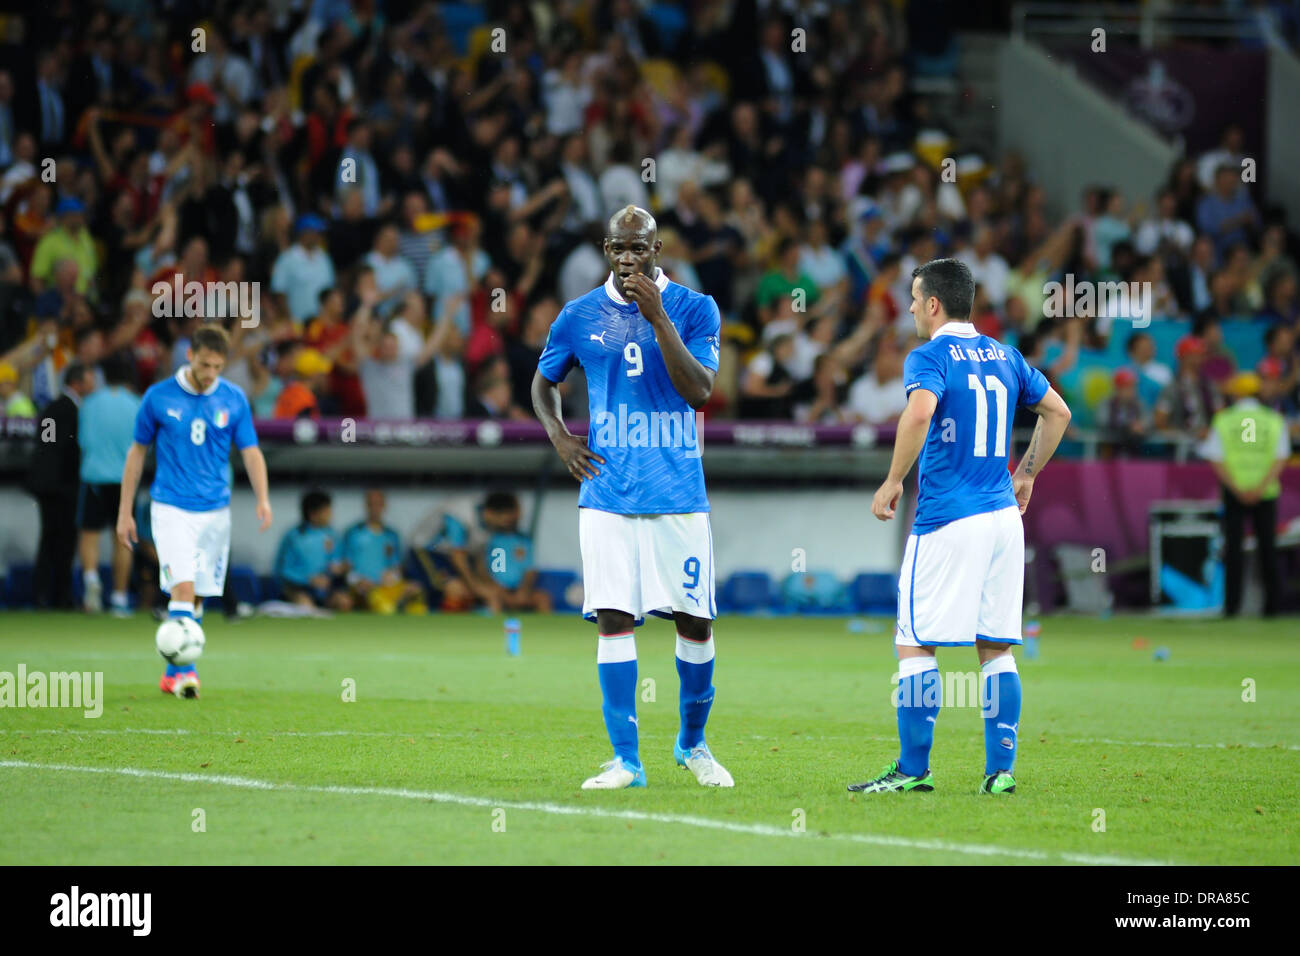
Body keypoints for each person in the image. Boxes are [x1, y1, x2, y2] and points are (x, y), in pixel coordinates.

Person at [532, 205, 732, 790]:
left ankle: (692, 745)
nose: (627, 259)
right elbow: (544, 383)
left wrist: (658, 317)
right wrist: (562, 439)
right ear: (605, 249)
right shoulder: (577, 316)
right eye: (617, 249)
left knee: (695, 623)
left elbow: (698, 391)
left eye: (638, 249)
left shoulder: (695, 308)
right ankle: (626, 760)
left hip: (678, 494)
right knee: (615, 620)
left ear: (657, 249)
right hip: (608, 492)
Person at [854, 258, 1071, 796]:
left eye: (913, 297)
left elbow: (920, 414)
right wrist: (1025, 475)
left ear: (933, 303)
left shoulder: (928, 356)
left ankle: (912, 770)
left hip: (949, 518)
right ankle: (1000, 774)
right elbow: (1058, 413)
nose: (908, 307)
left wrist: (892, 480)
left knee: (914, 643)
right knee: (995, 647)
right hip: (1002, 520)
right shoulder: (1005, 355)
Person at [117, 324, 272, 699]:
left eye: (217, 367)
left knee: (199, 595)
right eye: (205, 365)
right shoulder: (158, 397)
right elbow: (137, 452)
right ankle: (188, 673)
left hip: (215, 512)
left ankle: (173, 672)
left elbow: (251, 452)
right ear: (190, 355)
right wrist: (125, 511)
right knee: (182, 587)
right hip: (171, 507)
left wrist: (262, 498)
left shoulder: (233, 399)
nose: (210, 374)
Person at [1199, 372, 1290, 617]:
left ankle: (1232, 606)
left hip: (1234, 492)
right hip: (1266, 492)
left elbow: (1215, 459)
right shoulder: (1273, 420)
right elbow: (1281, 458)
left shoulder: (1224, 420)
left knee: (1234, 550)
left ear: (1237, 393)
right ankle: (1272, 607)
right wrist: (1260, 487)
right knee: (1268, 549)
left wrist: (1238, 488)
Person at [76, 353, 141, 615]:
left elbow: (83, 442)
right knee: (123, 539)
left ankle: (92, 581)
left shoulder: (89, 404)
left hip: (94, 478)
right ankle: (120, 596)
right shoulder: (138, 404)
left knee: (89, 536)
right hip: (125, 481)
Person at [28, 362, 95, 609]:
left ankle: (42, 595)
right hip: (62, 487)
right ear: (77, 383)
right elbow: (65, 451)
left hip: (47, 486)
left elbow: (45, 447)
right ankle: (60, 597)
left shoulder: (52, 408)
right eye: (89, 379)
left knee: (49, 539)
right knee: (64, 541)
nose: (93, 384)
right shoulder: (71, 411)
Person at [342, 489, 426, 615]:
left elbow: (396, 567)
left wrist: (393, 577)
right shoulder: (353, 533)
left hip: (387, 586)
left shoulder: (392, 535)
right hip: (363, 587)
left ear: (384, 506)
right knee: (382, 604)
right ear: (366, 506)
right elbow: (347, 568)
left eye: (379, 504)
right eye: (372, 504)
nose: (375, 508)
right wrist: (358, 580)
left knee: (416, 592)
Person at [275, 488, 353, 611]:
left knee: (344, 602)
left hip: (326, 588)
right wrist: (308, 579)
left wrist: (340, 568)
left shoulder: (333, 535)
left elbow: (337, 563)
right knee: (305, 605)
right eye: (326, 510)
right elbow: (284, 570)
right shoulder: (294, 537)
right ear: (313, 514)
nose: (330, 514)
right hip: (298, 588)